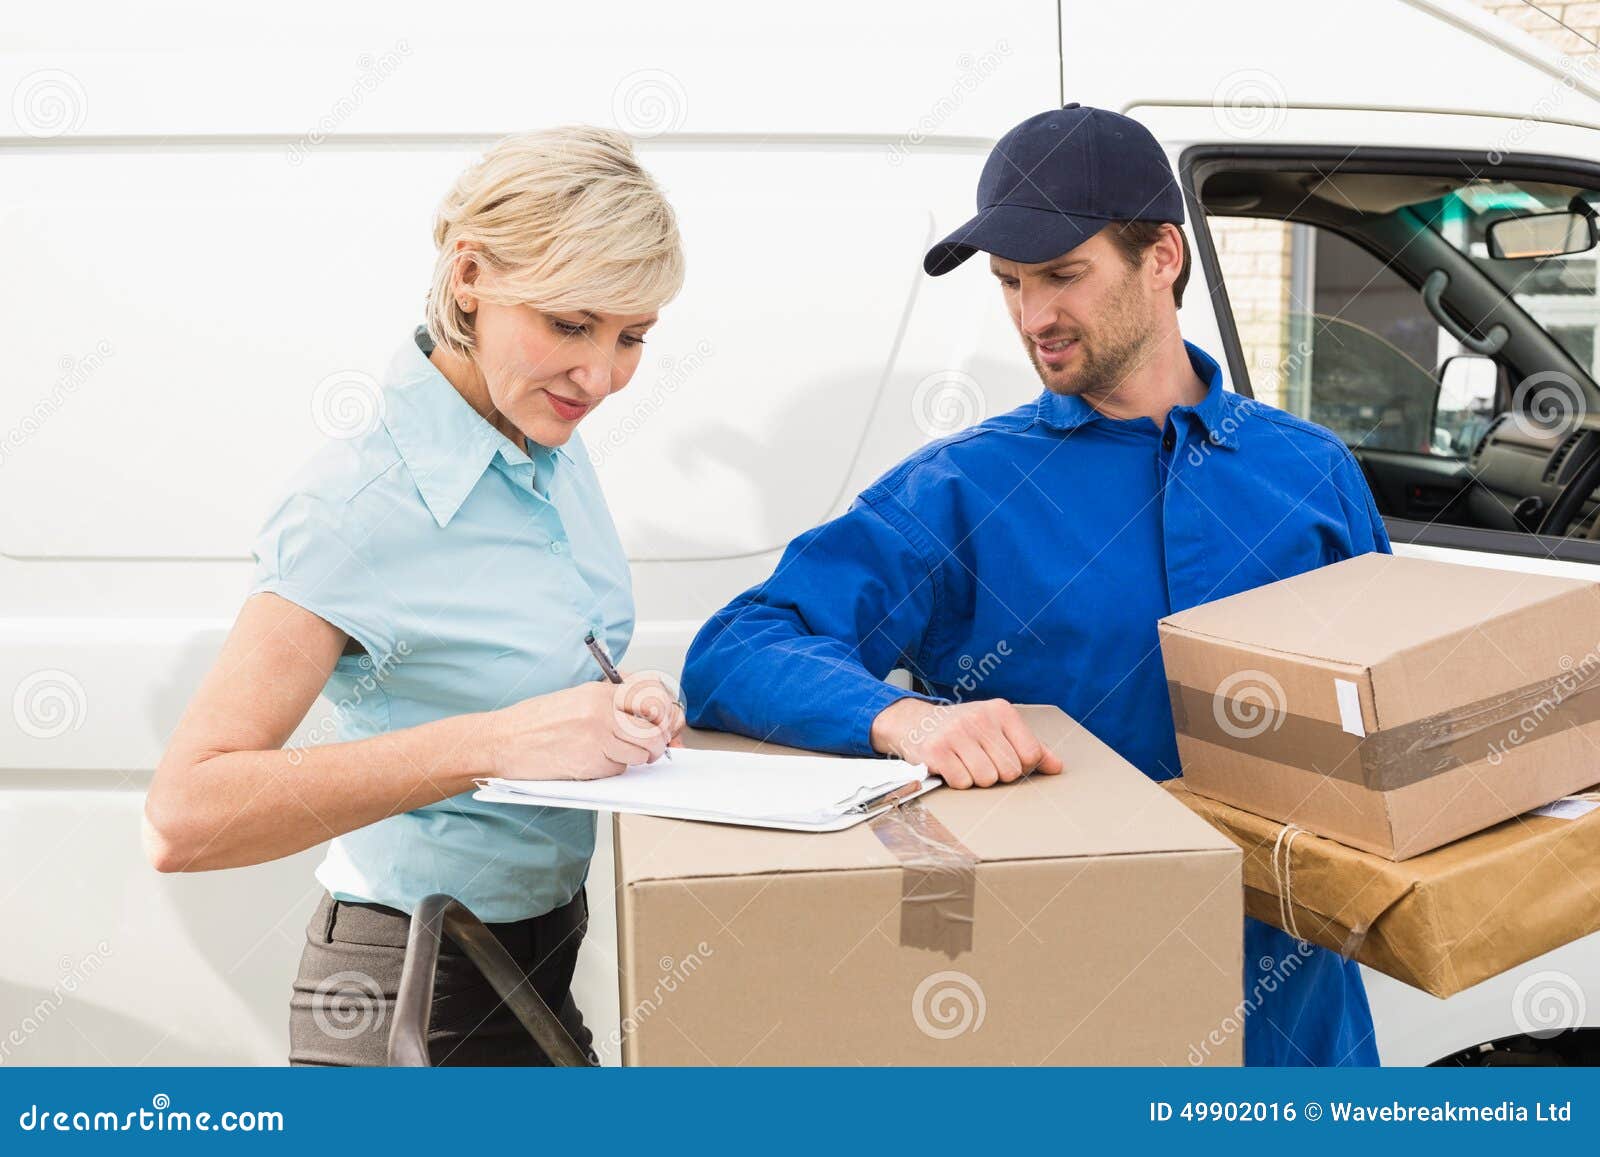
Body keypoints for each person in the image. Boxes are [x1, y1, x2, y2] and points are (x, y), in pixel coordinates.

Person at [681, 105, 1386, 1067]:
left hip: (1298, 1027)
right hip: (1064, 1022)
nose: (1032, 317)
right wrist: (909, 722)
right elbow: (738, 648)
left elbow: (1396, 696)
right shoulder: (961, 490)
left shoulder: (1310, 472)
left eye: (1062, 275)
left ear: (1163, 256)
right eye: (1010, 283)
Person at [143, 126, 688, 1066]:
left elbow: (500, 661)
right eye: (569, 324)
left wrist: (611, 703)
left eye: (631, 336)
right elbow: (184, 814)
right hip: (410, 992)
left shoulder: (541, 431)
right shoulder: (357, 504)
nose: (601, 377)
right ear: (469, 277)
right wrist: (500, 740)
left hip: (541, 966)